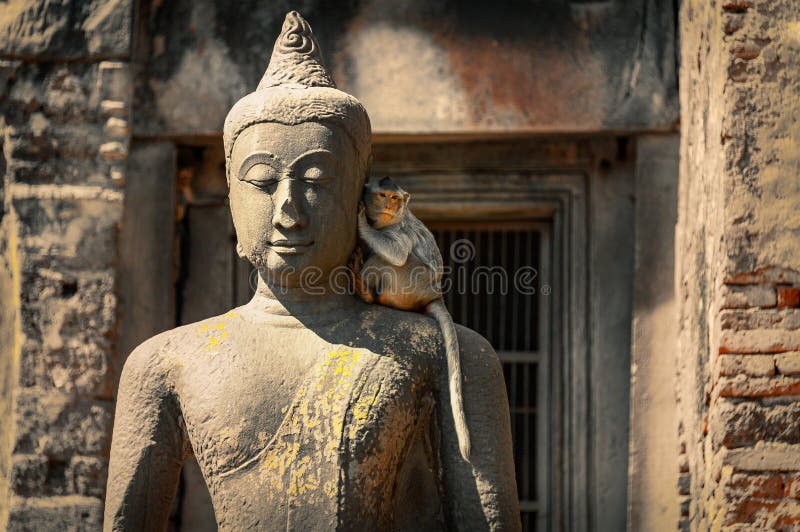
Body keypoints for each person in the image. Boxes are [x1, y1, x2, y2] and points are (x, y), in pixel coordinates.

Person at [104, 11, 520, 531]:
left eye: (318, 179)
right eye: (261, 181)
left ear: (359, 198)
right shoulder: (165, 364)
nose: (288, 210)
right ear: (232, 198)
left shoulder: (443, 354)